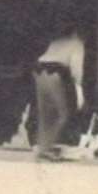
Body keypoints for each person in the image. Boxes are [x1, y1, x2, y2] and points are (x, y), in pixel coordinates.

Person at [33, 31, 86, 161]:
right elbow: (76, 69)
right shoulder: (77, 44)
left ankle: (43, 147)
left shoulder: (58, 40)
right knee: (63, 114)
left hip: (39, 72)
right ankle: (46, 147)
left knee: (45, 114)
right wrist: (79, 89)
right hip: (55, 74)